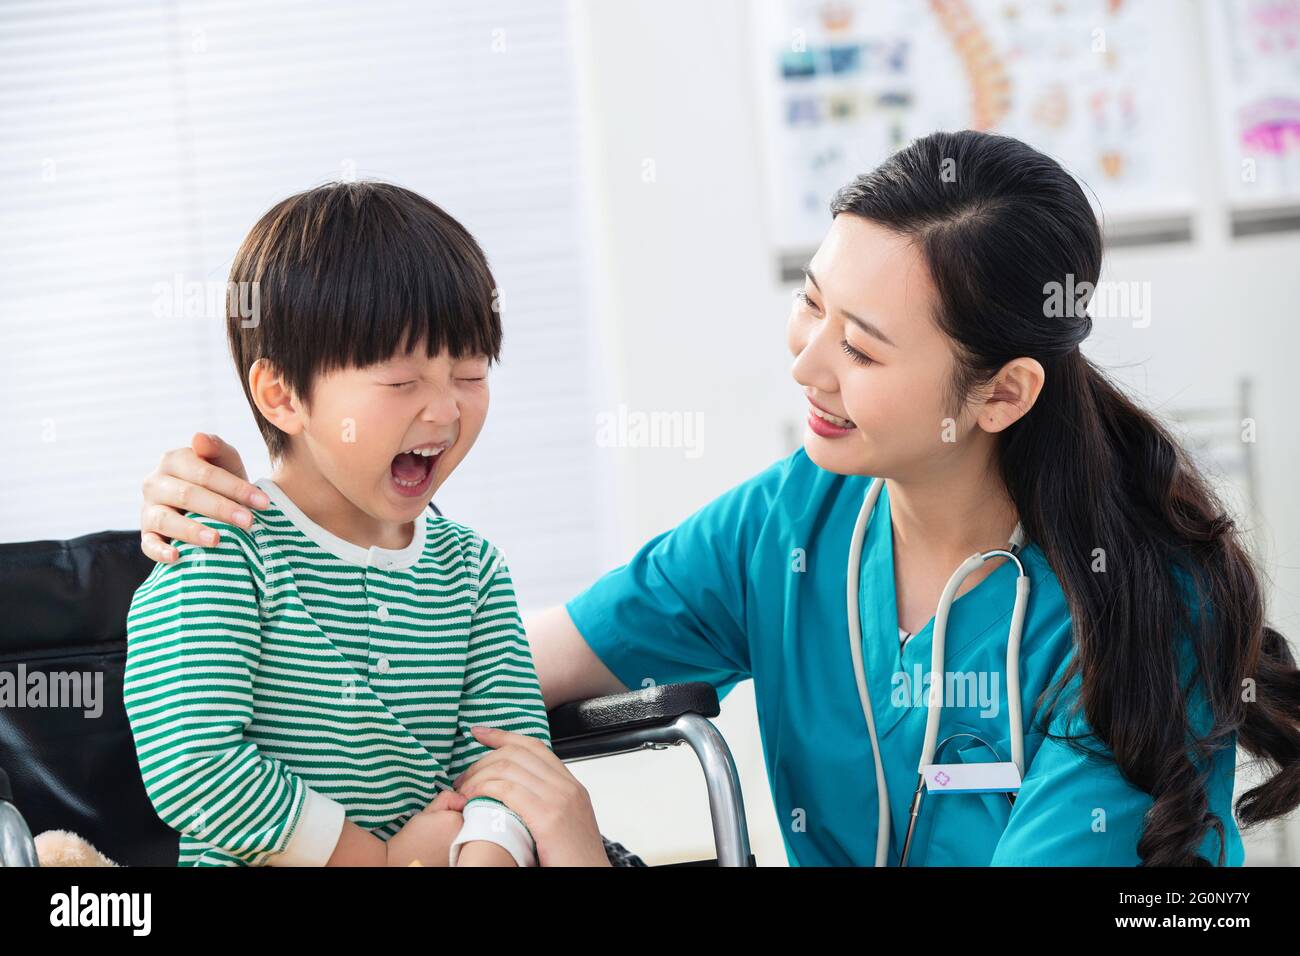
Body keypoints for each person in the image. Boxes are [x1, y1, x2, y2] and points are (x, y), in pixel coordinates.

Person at [136, 132, 1300, 866]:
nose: (806, 363)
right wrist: (276, 532)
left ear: (1000, 392)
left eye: (861, 345)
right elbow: (482, 664)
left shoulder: (1140, 612)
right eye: (811, 303)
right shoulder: (788, 528)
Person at [123, 181, 572, 867]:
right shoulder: (220, 547)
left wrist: (486, 852)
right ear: (282, 396)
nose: (446, 412)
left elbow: (509, 761)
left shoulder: (473, 570)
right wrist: (374, 861)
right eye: (401, 383)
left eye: (470, 374)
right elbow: (194, 764)